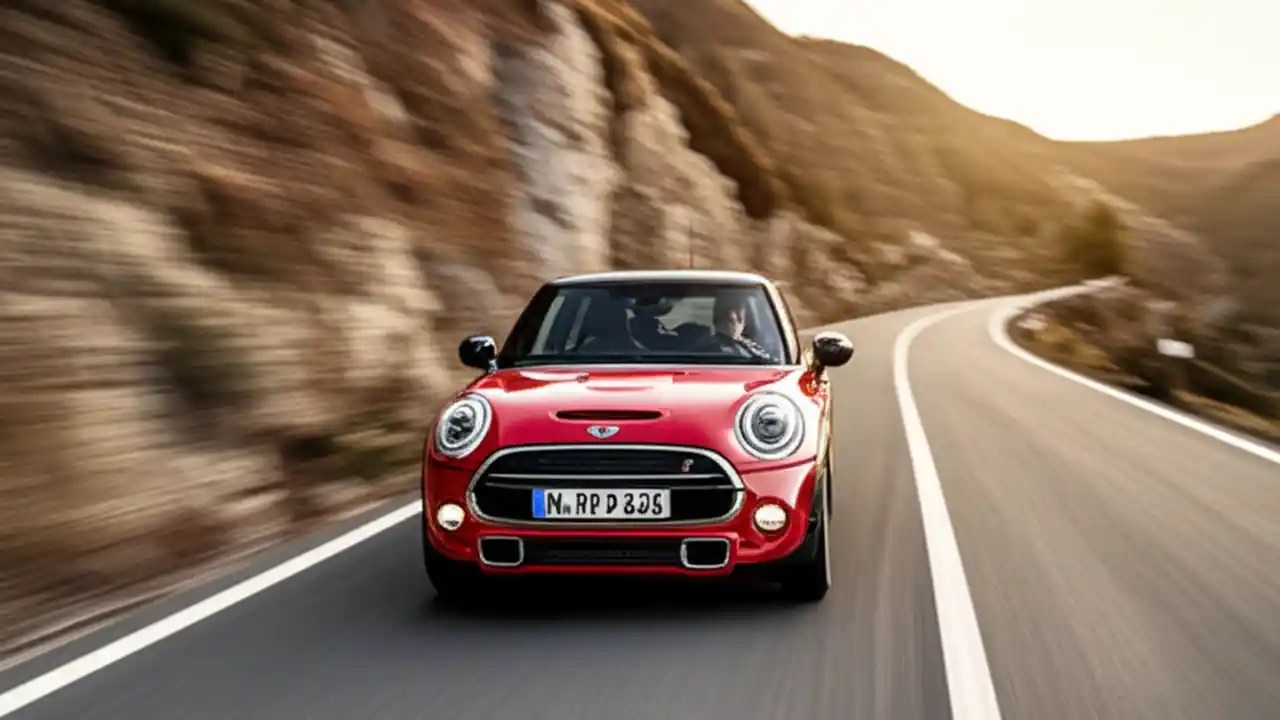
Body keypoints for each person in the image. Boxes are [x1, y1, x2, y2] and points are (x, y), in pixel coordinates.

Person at [707, 292, 776, 362]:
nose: (738, 318)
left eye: (741, 310)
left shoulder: (752, 346)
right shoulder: (709, 350)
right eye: (729, 311)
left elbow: (771, 361)